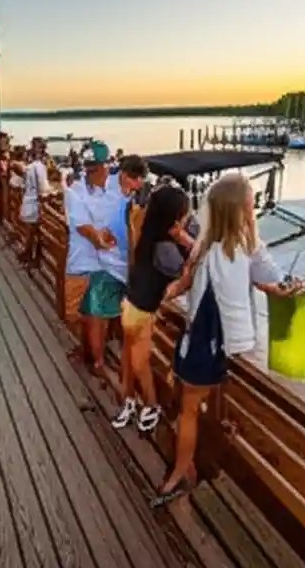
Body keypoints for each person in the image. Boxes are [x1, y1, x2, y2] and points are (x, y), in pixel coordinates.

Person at [152, 173, 304, 506]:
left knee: (190, 409)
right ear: (242, 209)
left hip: (200, 343)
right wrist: (294, 289)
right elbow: (275, 286)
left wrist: (170, 293)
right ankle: (194, 467)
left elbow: (188, 280)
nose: (253, 207)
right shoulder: (251, 248)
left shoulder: (204, 246)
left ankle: (180, 472)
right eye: (250, 202)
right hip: (234, 345)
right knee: (199, 408)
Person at [112, 185, 193, 434]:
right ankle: (151, 404)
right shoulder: (165, 248)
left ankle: (130, 401)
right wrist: (187, 241)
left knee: (130, 357)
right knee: (139, 361)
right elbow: (187, 273)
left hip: (130, 302)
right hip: (143, 309)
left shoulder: (147, 234)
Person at [64, 143, 143, 377]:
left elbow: (126, 225)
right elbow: (84, 227)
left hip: (105, 266)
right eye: (88, 167)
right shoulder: (75, 191)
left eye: (95, 167)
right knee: (77, 315)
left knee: (94, 314)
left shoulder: (117, 190)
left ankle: (95, 361)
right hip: (82, 261)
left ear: (106, 165)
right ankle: (88, 354)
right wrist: (101, 238)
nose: (91, 172)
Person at [19, 138, 50, 266]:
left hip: (27, 202)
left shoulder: (29, 167)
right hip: (35, 205)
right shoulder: (40, 167)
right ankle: (33, 259)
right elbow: (43, 188)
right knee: (35, 234)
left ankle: (27, 255)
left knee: (30, 233)